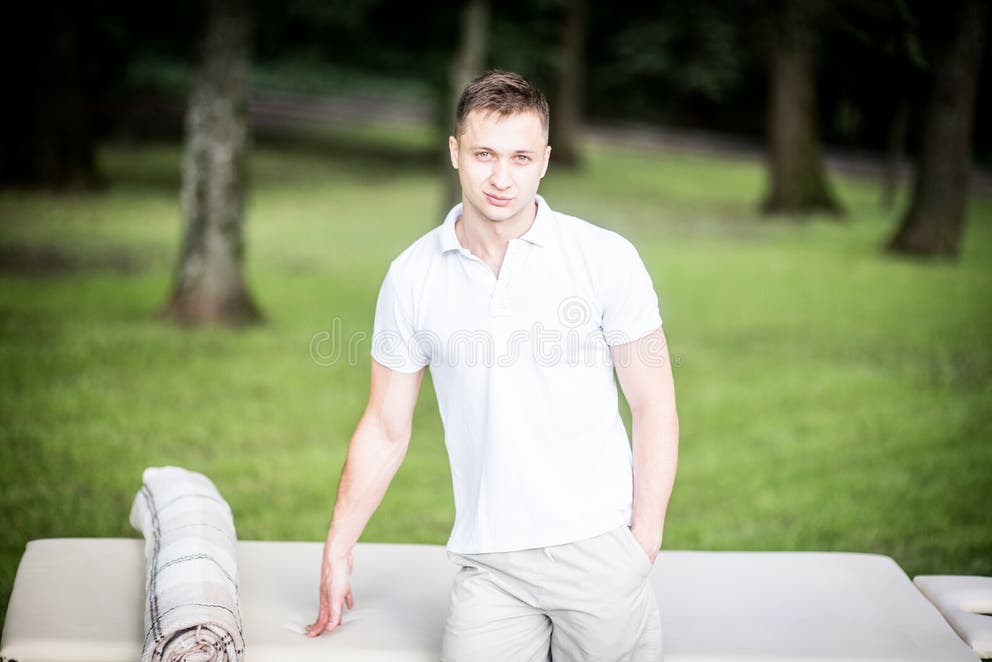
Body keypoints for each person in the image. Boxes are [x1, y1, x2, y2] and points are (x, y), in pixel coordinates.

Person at [307, 69, 679, 661]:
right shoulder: (412, 276)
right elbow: (384, 425)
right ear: (455, 152)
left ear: (545, 160)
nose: (501, 178)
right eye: (484, 154)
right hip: (490, 563)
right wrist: (338, 546)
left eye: (520, 157)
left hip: (601, 551)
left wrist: (643, 541)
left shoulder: (606, 258)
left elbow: (653, 401)